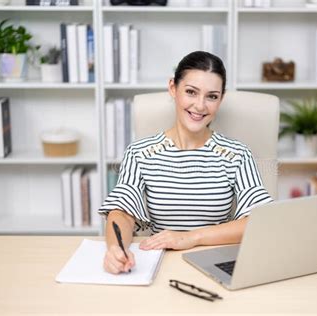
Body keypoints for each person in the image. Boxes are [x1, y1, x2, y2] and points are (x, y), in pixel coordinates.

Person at [98, 51, 273, 275]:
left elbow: (259, 220)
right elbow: (121, 212)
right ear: (173, 88)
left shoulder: (237, 154)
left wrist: (191, 237)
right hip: (158, 265)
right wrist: (116, 248)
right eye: (191, 92)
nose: (200, 106)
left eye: (212, 96)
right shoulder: (139, 152)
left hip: (216, 264)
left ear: (221, 99)